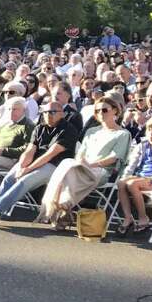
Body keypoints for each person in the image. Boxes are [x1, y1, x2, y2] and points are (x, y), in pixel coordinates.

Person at [0, 98, 80, 228]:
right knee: (9, 178)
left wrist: (28, 169)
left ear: (62, 113)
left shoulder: (69, 130)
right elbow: (30, 150)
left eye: (52, 112)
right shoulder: (40, 128)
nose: (48, 115)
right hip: (35, 162)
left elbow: (50, 154)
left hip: (55, 166)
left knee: (25, 181)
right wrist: (22, 166)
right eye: (45, 112)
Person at [35, 97, 131, 229]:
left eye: (104, 110)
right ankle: (62, 207)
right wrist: (81, 161)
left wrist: (91, 165)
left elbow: (114, 158)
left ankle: (60, 206)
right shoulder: (92, 131)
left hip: (101, 170)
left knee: (69, 169)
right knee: (67, 164)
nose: (101, 113)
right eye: (97, 111)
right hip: (81, 167)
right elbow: (81, 151)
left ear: (115, 111)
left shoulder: (122, 134)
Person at [114, 115, 152, 235]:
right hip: (140, 177)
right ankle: (128, 217)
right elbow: (133, 163)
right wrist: (126, 175)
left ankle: (143, 218)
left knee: (132, 184)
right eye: (149, 130)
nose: (151, 133)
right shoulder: (142, 145)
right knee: (121, 183)